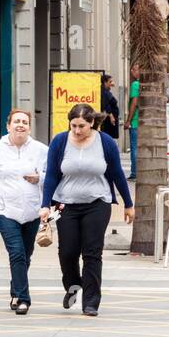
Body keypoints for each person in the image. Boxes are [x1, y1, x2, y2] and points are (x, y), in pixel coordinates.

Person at [41, 103, 134, 317]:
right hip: (65, 204)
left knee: (92, 253)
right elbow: (52, 175)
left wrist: (128, 204)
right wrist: (45, 205)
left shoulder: (105, 142)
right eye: (73, 125)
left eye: (81, 126)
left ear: (91, 123)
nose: (76, 130)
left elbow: (117, 174)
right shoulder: (60, 141)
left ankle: (91, 302)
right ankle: (73, 286)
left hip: (97, 203)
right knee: (68, 252)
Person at [0, 109, 48, 315]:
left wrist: (39, 178)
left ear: (29, 127)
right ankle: (23, 298)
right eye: (16, 122)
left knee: (26, 254)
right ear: (8, 126)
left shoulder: (40, 150)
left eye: (24, 122)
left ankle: (15, 289)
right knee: (16, 252)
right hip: (4, 210)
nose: (20, 125)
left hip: (32, 210)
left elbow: (53, 177)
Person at [126, 63, 141, 179]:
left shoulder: (135, 84)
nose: (133, 72)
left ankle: (134, 172)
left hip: (136, 121)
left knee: (134, 147)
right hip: (144, 122)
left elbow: (134, 103)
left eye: (135, 70)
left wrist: (128, 121)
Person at [100, 75, 121, 140]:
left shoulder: (106, 91)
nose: (112, 83)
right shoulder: (104, 92)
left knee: (110, 137)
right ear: (105, 82)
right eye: (110, 82)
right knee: (108, 137)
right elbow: (106, 105)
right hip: (108, 121)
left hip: (111, 119)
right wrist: (111, 116)